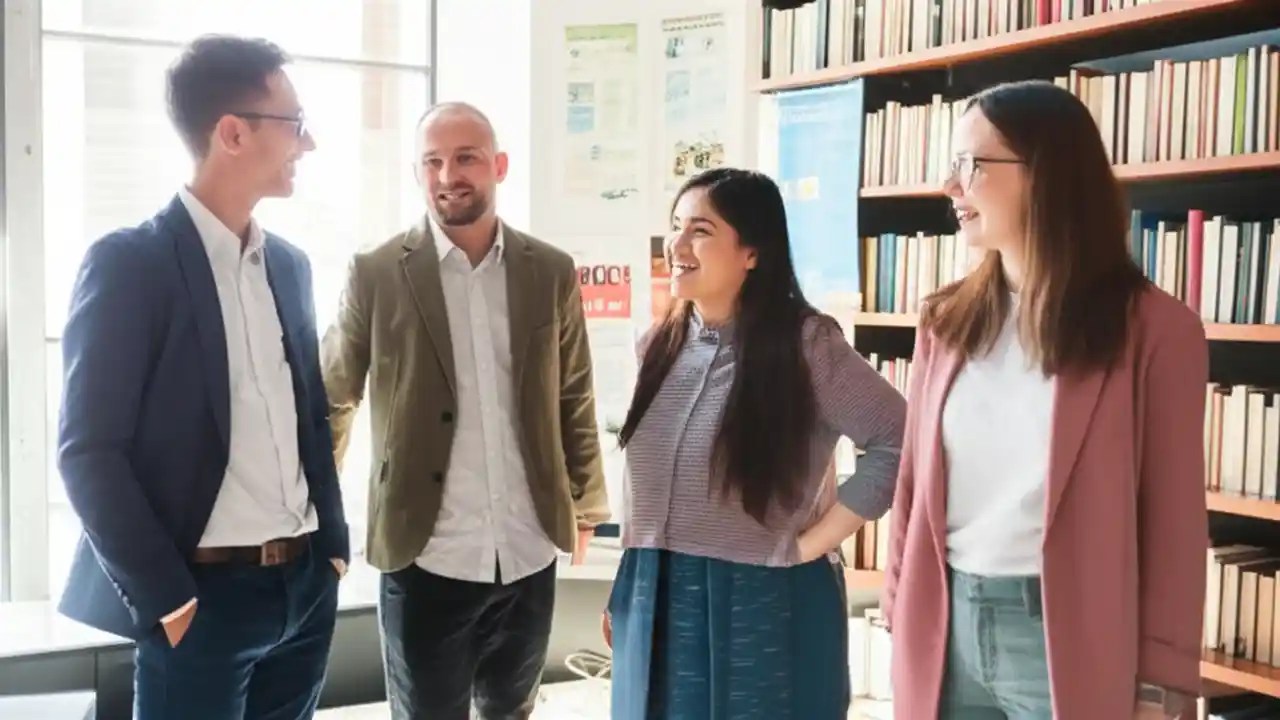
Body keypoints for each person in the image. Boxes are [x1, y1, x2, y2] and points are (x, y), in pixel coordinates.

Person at [876, 80, 1207, 719]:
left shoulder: (1157, 332)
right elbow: (913, 489)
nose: (951, 187)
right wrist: (898, 608)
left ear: (1045, 174)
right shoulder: (943, 324)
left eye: (971, 165)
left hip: (1070, 640)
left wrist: (1162, 688)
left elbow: (1173, 525)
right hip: (945, 627)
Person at [56, 35, 348, 720]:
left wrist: (331, 548)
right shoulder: (132, 264)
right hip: (201, 602)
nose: (308, 144)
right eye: (296, 124)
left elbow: (312, 419)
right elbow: (88, 451)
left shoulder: (291, 267)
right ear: (232, 133)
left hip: (302, 592)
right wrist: (168, 599)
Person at [321, 101, 609, 720]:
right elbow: (333, 397)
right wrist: (319, 521)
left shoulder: (550, 271)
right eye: (433, 161)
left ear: (499, 166)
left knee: (511, 710)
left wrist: (586, 505)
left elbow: (574, 397)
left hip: (527, 548)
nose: (449, 175)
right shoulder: (376, 272)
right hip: (427, 552)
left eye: (466, 158)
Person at [605, 167, 907, 719]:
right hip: (651, 592)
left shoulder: (806, 344)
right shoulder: (657, 346)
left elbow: (900, 441)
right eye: (676, 226)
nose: (677, 245)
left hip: (763, 599)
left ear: (752, 252)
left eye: (700, 230)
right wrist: (629, 586)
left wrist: (811, 544)